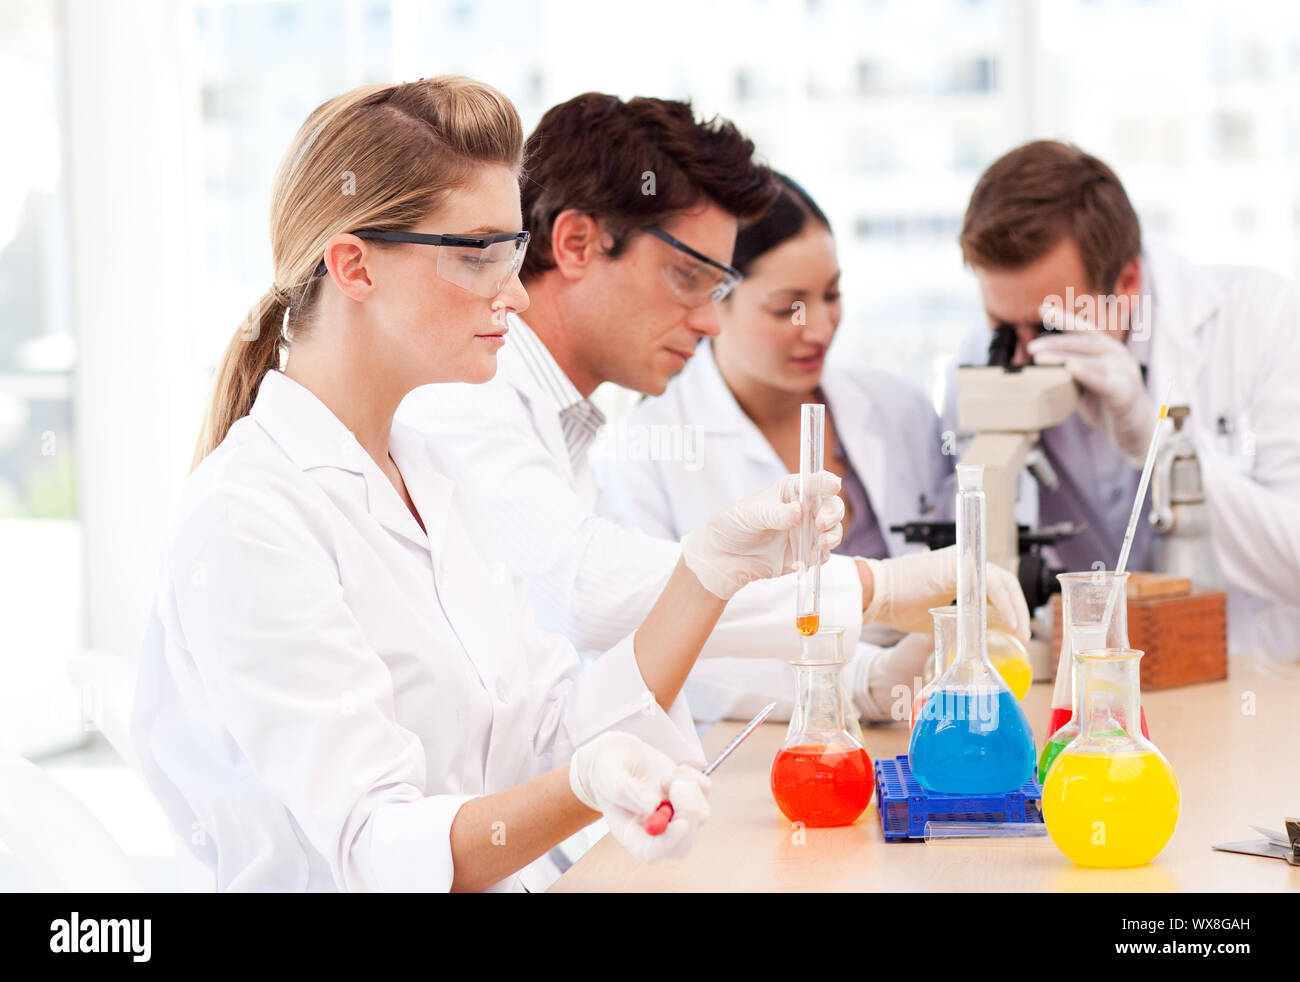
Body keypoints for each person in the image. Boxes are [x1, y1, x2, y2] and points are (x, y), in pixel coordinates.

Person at [130, 76, 848, 893]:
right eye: (478, 254)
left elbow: (548, 732)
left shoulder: (430, 473)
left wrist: (708, 573)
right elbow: (378, 844)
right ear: (354, 266)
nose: (514, 291)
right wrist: (583, 785)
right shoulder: (249, 518)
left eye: (513, 250)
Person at [396, 95, 1032, 702]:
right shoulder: (463, 396)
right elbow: (585, 592)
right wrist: (876, 586)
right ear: (576, 243)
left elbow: (658, 647)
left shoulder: (565, 425)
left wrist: (865, 680)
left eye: (718, 290)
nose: (708, 322)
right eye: (688, 279)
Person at [597, 173, 991, 723]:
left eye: (832, 296)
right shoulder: (644, 454)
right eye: (789, 309)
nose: (821, 328)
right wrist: (865, 683)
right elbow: (666, 650)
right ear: (716, 304)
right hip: (769, 745)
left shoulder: (895, 407)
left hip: (927, 718)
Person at [944, 139, 1300, 660]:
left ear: (1126, 282)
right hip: (1087, 695)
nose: (1024, 352)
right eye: (1002, 326)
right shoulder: (982, 362)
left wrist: (1153, 446)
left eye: (1048, 325)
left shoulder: (1261, 321)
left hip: (1249, 685)